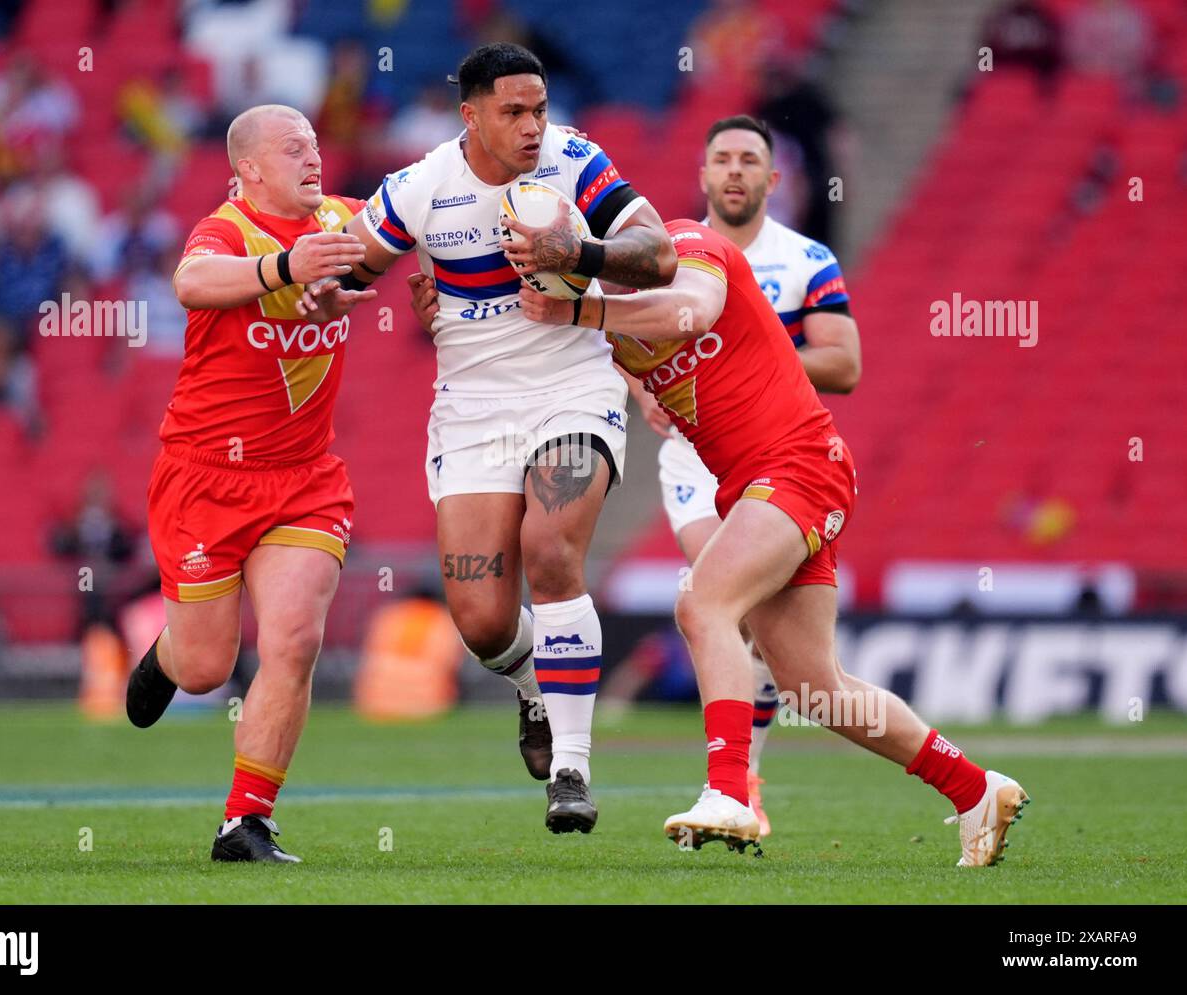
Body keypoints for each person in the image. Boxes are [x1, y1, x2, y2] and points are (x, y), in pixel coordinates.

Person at [519, 221, 1030, 867]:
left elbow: (693, 309)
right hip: (761, 481)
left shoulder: (689, 244)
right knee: (813, 686)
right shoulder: (607, 322)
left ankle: (730, 791)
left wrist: (582, 309)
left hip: (796, 465)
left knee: (701, 604)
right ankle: (975, 788)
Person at [305, 43, 677, 833]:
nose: (534, 127)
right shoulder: (422, 186)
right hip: (472, 408)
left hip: (572, 390)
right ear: (469, 115)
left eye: (539, 109)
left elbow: (661, 256)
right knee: (478, 619)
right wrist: (304, 290)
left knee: (550, 552)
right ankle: (535, 685)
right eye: (514, 112)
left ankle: (573, 770)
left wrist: (578, 253)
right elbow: (346, 277)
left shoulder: (575, 161)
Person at [124, 104, 374, 863]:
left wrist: (429, 287)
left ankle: (246, 822)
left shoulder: (342, 218)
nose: (312, 157)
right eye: (292, 148)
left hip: (305, 480)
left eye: (315, 145)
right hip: (205, 477)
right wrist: (286, 269)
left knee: (294, 639)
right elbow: (191, 281)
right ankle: (169, 655)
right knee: (206, 667)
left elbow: (417, 228)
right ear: (250, 171)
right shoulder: (227, 229)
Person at [627, 114, 861, 838]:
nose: (734, 170)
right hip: (696, 465)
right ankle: (738, 786)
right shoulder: (672, 254)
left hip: (774, 450)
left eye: (748, 159)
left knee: (731, 615)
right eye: (721, 158)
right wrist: (647, 391)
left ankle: (737, 783)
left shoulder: (804, 258)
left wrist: (751, 355)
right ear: (703, 176)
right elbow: (631, 344)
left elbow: (845, 364)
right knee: (723, 607)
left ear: (772, 178)